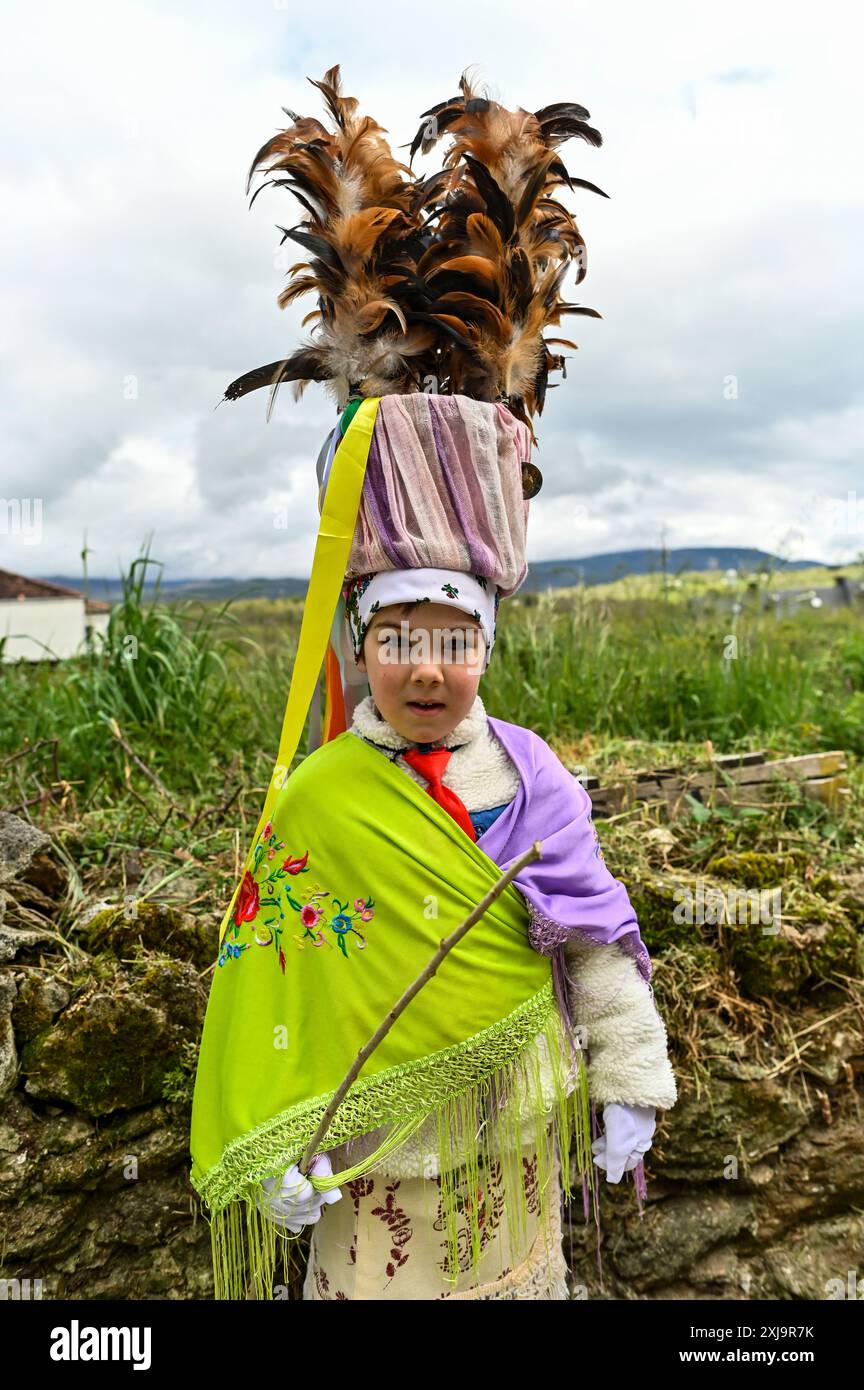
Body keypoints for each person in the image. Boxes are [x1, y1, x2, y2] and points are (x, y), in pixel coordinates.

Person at [255, 568, 677, 1300]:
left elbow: (591, 942)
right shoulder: (318, 798)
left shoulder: (530, 779)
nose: (425, 669)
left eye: (454, 641)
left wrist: (629, 1081)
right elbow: (281, 982)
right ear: (360, 650)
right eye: (395, 642)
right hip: (371, 1145)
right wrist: (275, 1140)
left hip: (512, 1136)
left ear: (486, 649)